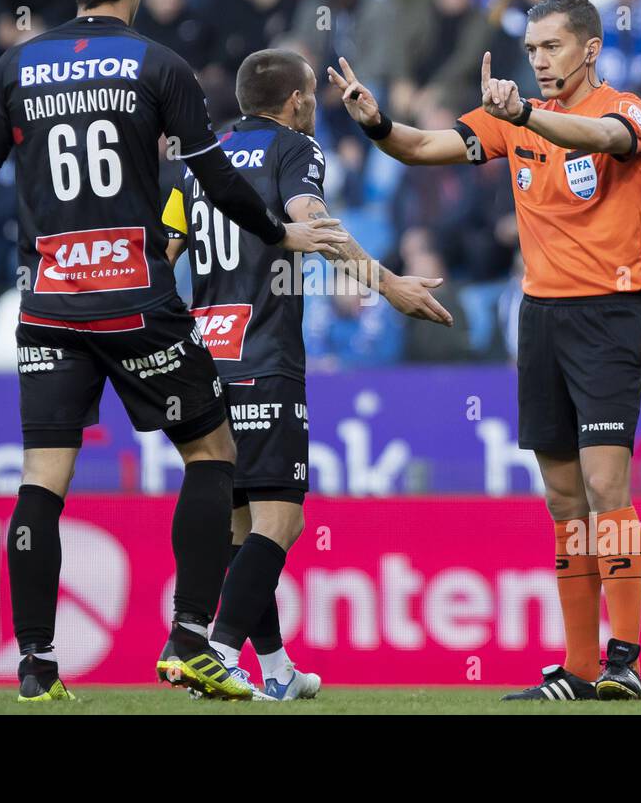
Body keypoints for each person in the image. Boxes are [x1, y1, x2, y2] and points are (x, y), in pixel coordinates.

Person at [0, 0, 348, 703]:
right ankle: (192, 638)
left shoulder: (16, 67)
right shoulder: (158, 66)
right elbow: (217, 180)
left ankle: (35, 662)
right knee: (213, 454)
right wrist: (278, 232)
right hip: (136, 297)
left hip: (51, 300)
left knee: (41, 480)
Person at [329, 0, 641, 701]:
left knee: (608, 488)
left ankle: (625, 657)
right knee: (563, 498)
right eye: (533, 48)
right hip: (539, 318)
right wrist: (375, 120)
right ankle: (577, 668)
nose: (540, 60)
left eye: (554, 47)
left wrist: (525, 116)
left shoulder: (626, 111)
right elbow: (418, 148)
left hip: (609, 315)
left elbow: (599, 140)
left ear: (590, 50)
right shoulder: (511, 123)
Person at [162, 48, 450, 699]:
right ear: (295, 102)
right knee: (281, 522)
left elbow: (163, 253)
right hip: (265, 358)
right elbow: (311, 224)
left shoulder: (193, 163)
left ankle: (277, 669)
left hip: (207, 357)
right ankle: (216, 653)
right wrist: (389, 284)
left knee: (240, 528)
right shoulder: (294, 149)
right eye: (309, 100)